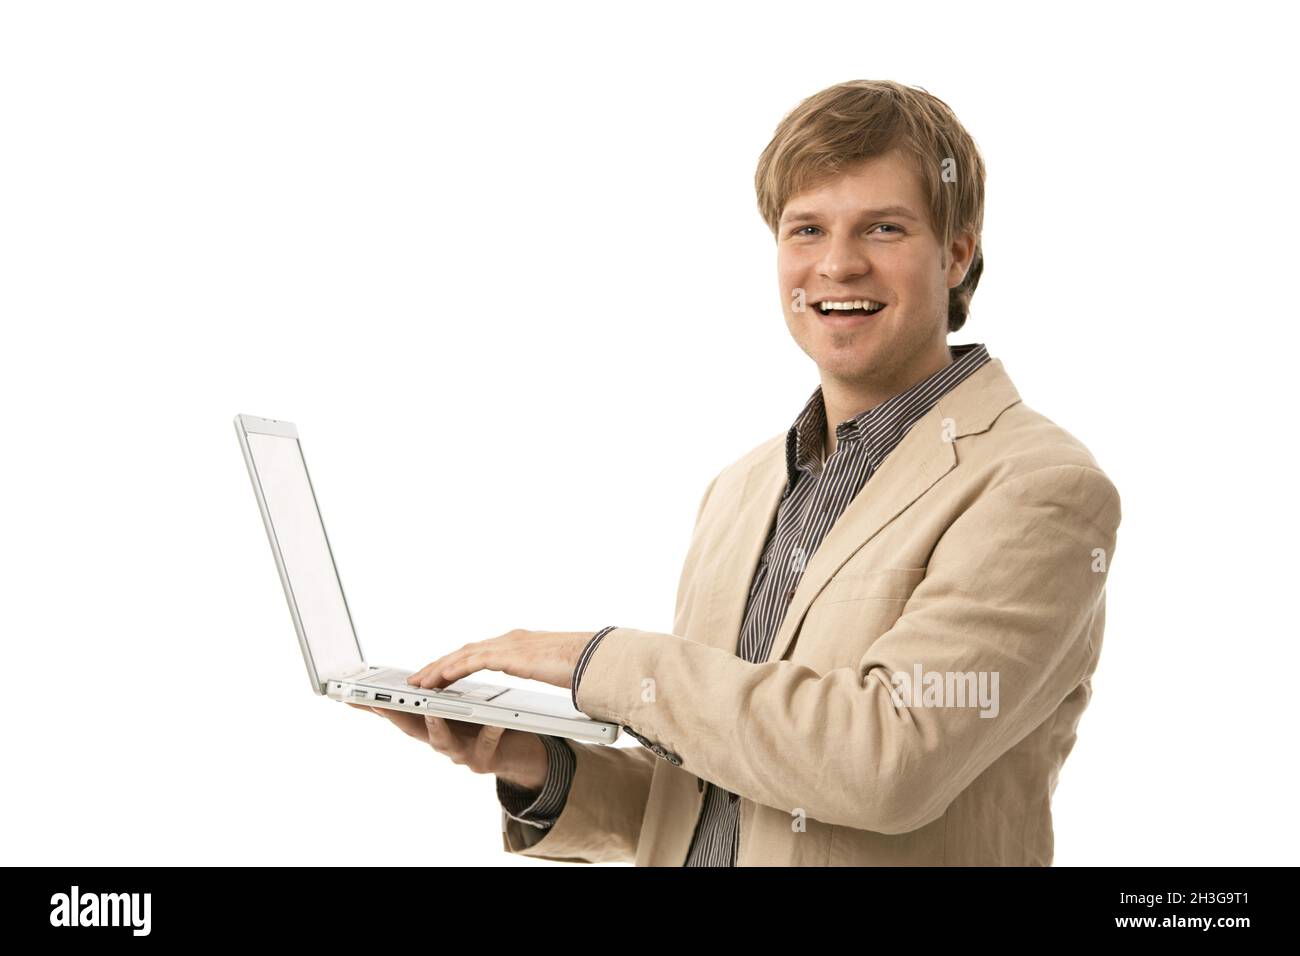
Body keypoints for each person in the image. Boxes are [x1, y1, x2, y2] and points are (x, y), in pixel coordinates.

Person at [351, 79, 1122, 866]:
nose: (837, 265)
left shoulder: (1040, 487)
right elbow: (712, 787)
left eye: (883, 229)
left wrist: (598, 662)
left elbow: (887, 761)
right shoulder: (740, 490)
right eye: (807, 229)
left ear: (957, 253)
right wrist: (538, 764)